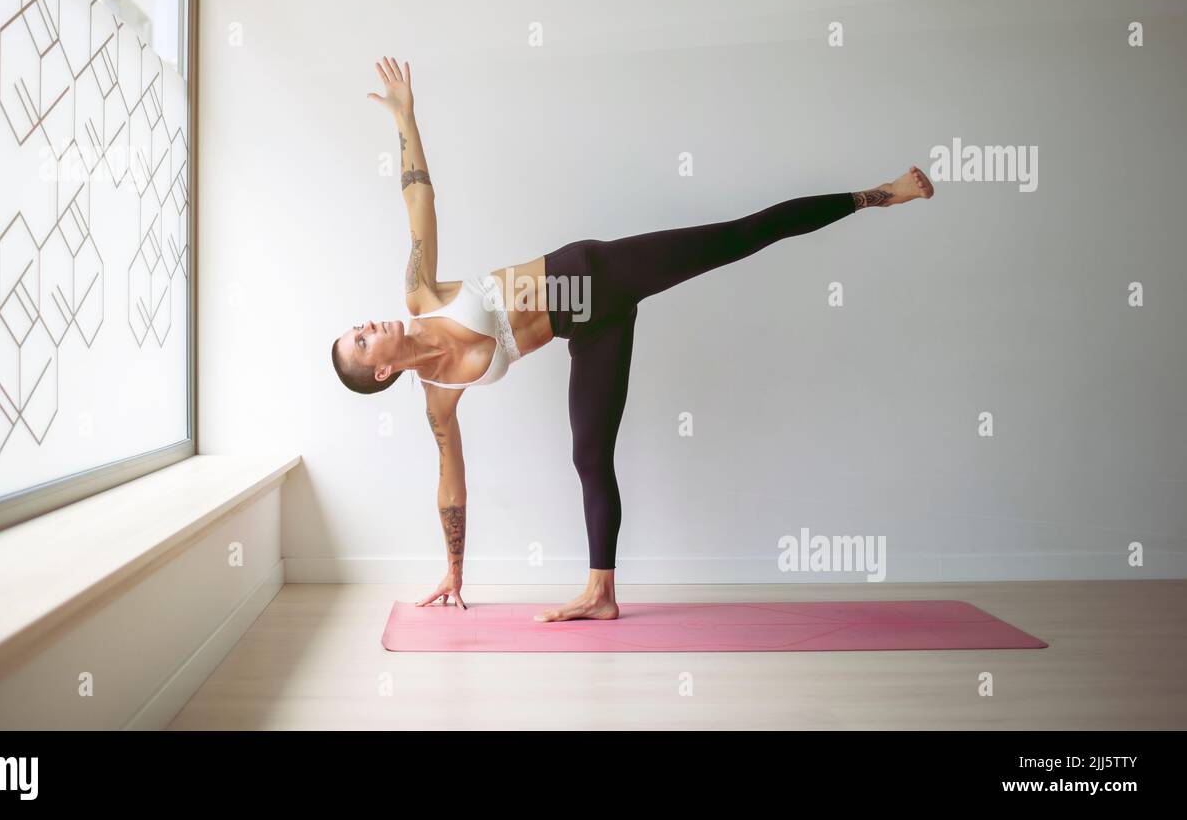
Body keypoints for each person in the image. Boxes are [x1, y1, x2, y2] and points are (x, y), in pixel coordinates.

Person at [332, 57, 934, 622]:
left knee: (741, 236)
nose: (368, 327)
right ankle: (601, 593)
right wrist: (454, 571)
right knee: (589, 456)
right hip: (591, 330)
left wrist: (407, 119)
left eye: (357, 328)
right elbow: (451, 483)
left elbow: (418, 200)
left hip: (594, 275)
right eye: (361, 343)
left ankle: (879, 194)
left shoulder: (421, 294)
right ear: (381, 373)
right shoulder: (439, 398)